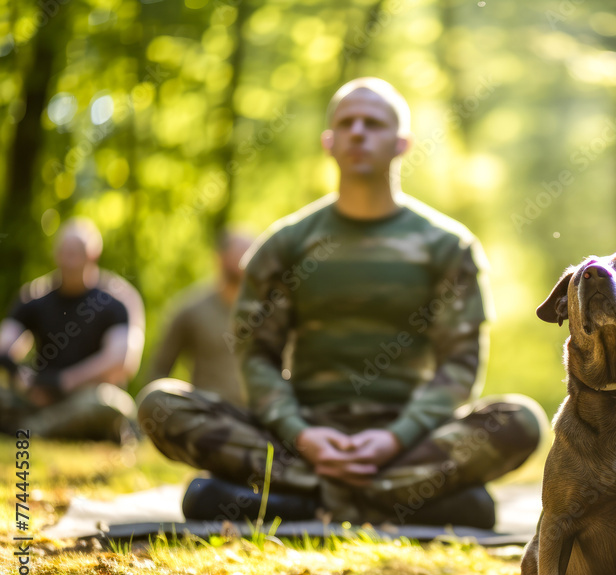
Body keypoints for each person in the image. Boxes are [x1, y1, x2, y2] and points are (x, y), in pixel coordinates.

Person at [137, 78, 545, 528]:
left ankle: (299, 499)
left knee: (522, 420)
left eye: (373, 123)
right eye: (346, 123)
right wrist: (303, 435)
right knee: (160, 404)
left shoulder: (447, 247)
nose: (358, 132)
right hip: (301, 438)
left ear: (401, 142)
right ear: (328, 142)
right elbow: (257, 358)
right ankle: (386, 499)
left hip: (409, 442)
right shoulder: (287, 244)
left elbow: (461, 365)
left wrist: (394, 439)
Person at [0, 218, 143, 443]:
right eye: (65, 251)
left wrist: (65, 381)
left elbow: (122, 361)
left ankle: (31, 429)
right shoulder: (35, 295)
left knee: (112, 405)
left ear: (93, 254)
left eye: (77, 252)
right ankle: (41, 427)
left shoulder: (117, 299)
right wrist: (26, 379)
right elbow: (5, 345)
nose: (70, 259)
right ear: (55, 254)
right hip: (37, 397)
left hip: (87, 397)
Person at [147, 230, 253, 407]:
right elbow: (159, 369)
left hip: (260, 414)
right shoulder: (192, 309)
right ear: (220, 257)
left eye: (251, 252)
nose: (246, 259)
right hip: (209, 413)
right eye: (240, 252)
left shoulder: (271, 309)